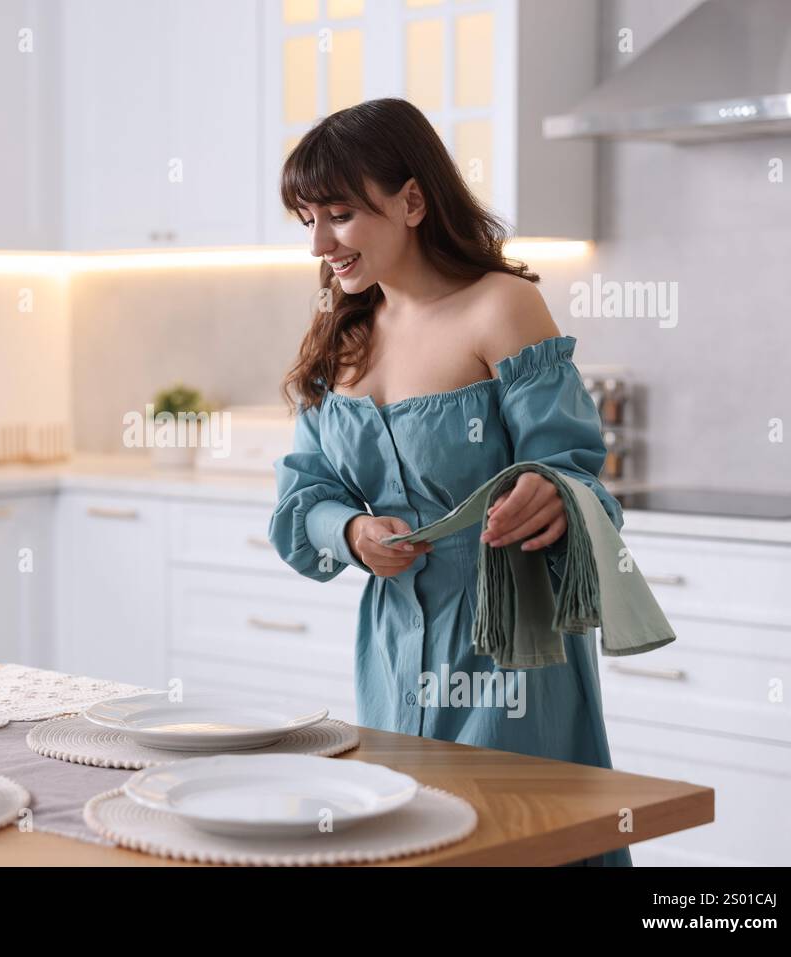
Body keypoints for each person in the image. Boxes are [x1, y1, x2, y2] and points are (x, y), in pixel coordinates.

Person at [267, 98, 631, 867]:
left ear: (411, 200)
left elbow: (583, 480)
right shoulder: (342, 337)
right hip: (393, 643)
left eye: (339, 213)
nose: (320, 243)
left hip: (513, 643)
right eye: (308, 219)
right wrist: (354, 533)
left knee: (515, 842)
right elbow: (302, 502)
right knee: (406, 837)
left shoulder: (502, 306)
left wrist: (554, 495)